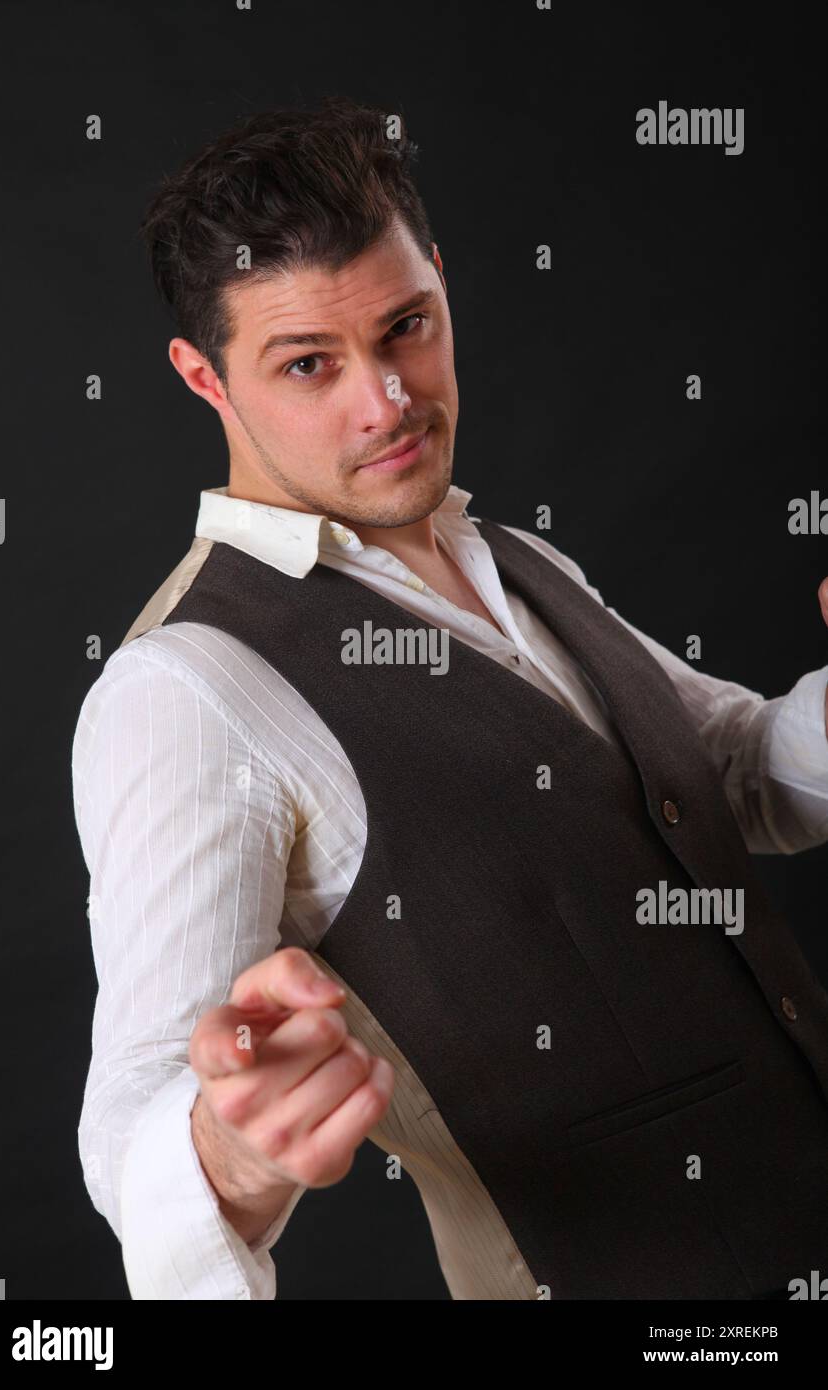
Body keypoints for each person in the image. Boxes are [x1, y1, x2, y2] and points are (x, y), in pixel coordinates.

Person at [72, 95, 828, 1301]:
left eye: (406, 328)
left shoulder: (513, 560)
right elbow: (129, 1122)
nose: (386, 402)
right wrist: (229, 1151)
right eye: (308, 363)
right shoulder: (187, 690)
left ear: (442, 285)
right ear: (202, 377)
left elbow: (734, 772)